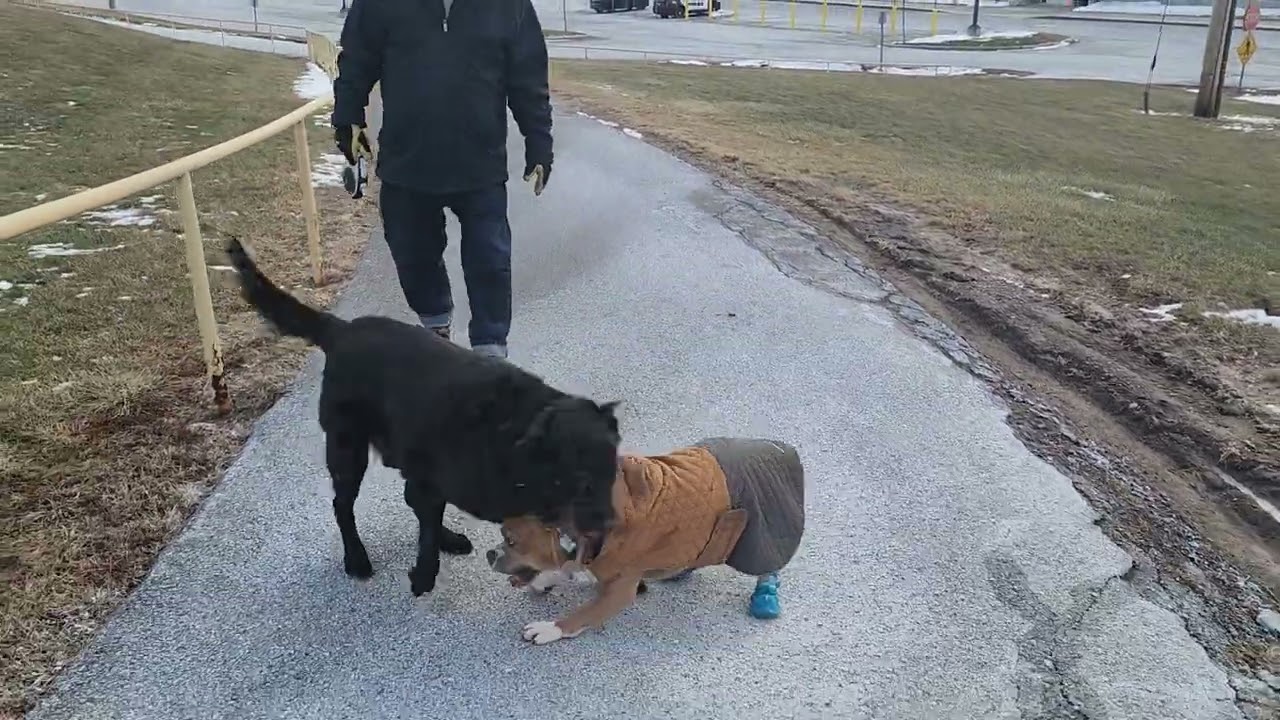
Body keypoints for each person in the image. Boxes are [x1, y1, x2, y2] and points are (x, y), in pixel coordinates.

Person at [331, 0, 554, 359]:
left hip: (480, 163)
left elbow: (527, 74)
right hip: (408, 162)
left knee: (489, 261)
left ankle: (489, 351)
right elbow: (357, 58)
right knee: (412, 252)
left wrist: (539, 140)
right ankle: (435, 325)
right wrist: (347, 117)